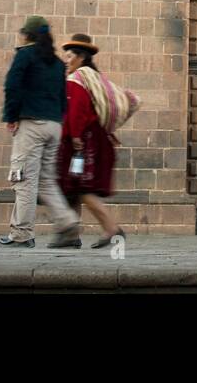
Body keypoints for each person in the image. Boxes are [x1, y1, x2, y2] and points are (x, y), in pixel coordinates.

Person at [0, 15, 80, 249]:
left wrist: (11, 117)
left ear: (28, 35)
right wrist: (58, 121)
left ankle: (22, 234)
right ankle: (68, 222)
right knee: (46, 181)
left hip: (31, 125)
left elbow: (12, 86)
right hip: (54, 125)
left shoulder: (24, 55)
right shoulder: (56, 62)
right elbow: (62, 97)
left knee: (24, 179)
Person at [58, 33, 125, 249]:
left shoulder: (77, 80)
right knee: (73, 189)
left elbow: (76, 111)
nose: (66, 60)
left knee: (84, 189)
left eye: (69, 56)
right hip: (92, 138)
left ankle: (112, 229)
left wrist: (75, 136)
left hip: (83, 141)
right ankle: (70, 234)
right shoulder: (93, 78)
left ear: (80, 57)